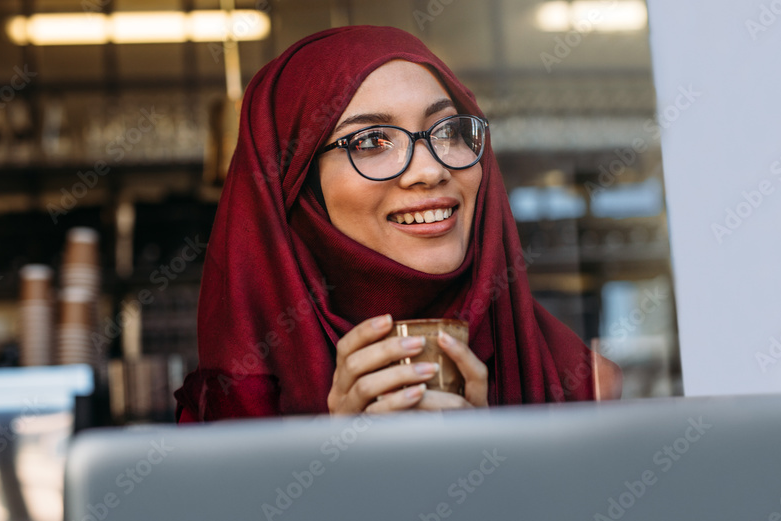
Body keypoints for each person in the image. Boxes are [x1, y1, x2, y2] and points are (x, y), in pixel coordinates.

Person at [175, 25, 620, 422]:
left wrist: (491, 460)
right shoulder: (234, 410)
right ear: (298, 188)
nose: (429, 170)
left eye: (448, 130)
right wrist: (340, 470)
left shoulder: (583, 384)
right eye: (370, 141)